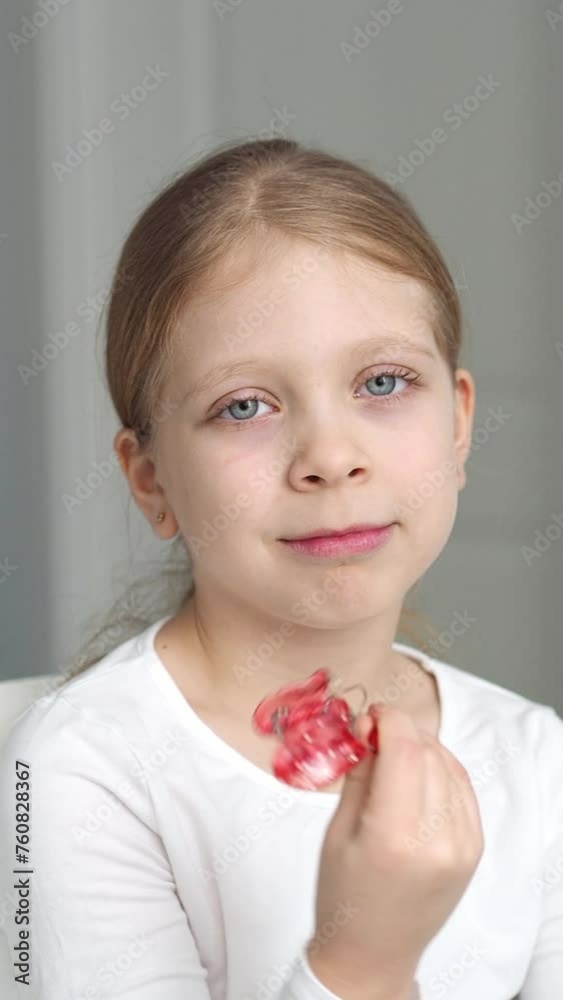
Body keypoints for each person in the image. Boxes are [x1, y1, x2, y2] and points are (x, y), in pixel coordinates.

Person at [0, 138, 561, 1000]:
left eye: (381, 382)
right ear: (153, 483)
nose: (330, 458)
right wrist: (362, 965)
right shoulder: (81, 769)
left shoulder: (535, 763)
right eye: (245, 406)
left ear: (456, 427)